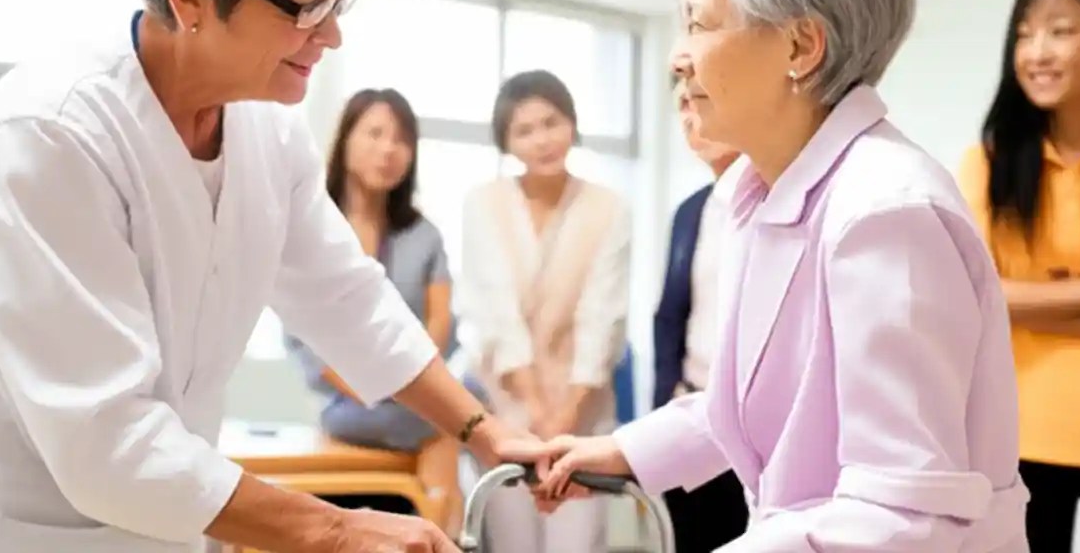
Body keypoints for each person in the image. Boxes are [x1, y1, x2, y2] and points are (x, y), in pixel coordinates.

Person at [0, 0, 542, 552]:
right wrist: (337, 528)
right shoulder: (48, 136)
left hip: (166, 516)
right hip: (16, 526)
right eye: (307, 5)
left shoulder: (266, 124)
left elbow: (348, 300)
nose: (329, 35)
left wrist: (486, 431)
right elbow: (102, 439)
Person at [535, 0, 1029, 552]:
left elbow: (904, 513)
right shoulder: (764, 192)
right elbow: (765, 407)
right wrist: (626, 451)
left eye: (700, 23)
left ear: (801, 48)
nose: (679, 57)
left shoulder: (887, 213)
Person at [957, 0, 1080, 552]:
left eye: (1061, 31)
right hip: (1018, 439)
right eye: (1024, 34)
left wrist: (1028, 303)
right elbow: (982, 295)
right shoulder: (988, 164)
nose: (1037, 51)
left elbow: (1008, 298)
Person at [286, 87, 482, 532]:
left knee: (446, 425)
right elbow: (310, 341)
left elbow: (440, 326)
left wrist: (408, 381)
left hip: (420, 398)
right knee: (450, 420)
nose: (388, 150)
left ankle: (439, 530)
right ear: (346, 139)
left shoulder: (425, 236)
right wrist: (392, 385)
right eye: (375, 133)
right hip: (355, 408)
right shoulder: (313, 227)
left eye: (401, 139)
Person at [457, 70, 630, 553]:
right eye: (524, 130)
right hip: (507, 419)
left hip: (585, 420)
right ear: (506, 141)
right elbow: (495, 315)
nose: (542, 140)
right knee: (510, 544)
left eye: (551, 122)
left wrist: (562, 426)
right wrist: (535, 422)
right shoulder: (483, 204)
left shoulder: (609, 208)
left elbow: (604, 319)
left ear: (571, 123)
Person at [652, 75, 747, 552]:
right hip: (689, 413)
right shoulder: (691, 210)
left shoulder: (776, 200)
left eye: (705, 101)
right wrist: (664, 400)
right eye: (684, 106)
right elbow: (670, 315)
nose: (693, 118)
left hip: (749, 431)